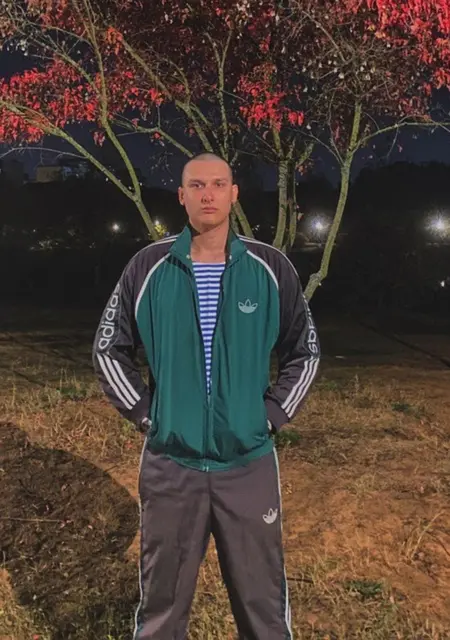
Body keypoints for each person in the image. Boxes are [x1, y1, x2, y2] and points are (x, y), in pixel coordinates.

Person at [92, 153, 320, 639]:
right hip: (171, 466)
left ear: (234, 194)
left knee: (263, 610)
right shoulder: (148, 267)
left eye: (218, 184)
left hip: (248, 464)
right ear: (182, 196)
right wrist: (148, 414)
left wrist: (271, 414)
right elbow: (108, 348)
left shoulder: (269, 267)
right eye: (196, 186)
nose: (208, 195)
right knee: (161, 610)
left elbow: (305, 350)